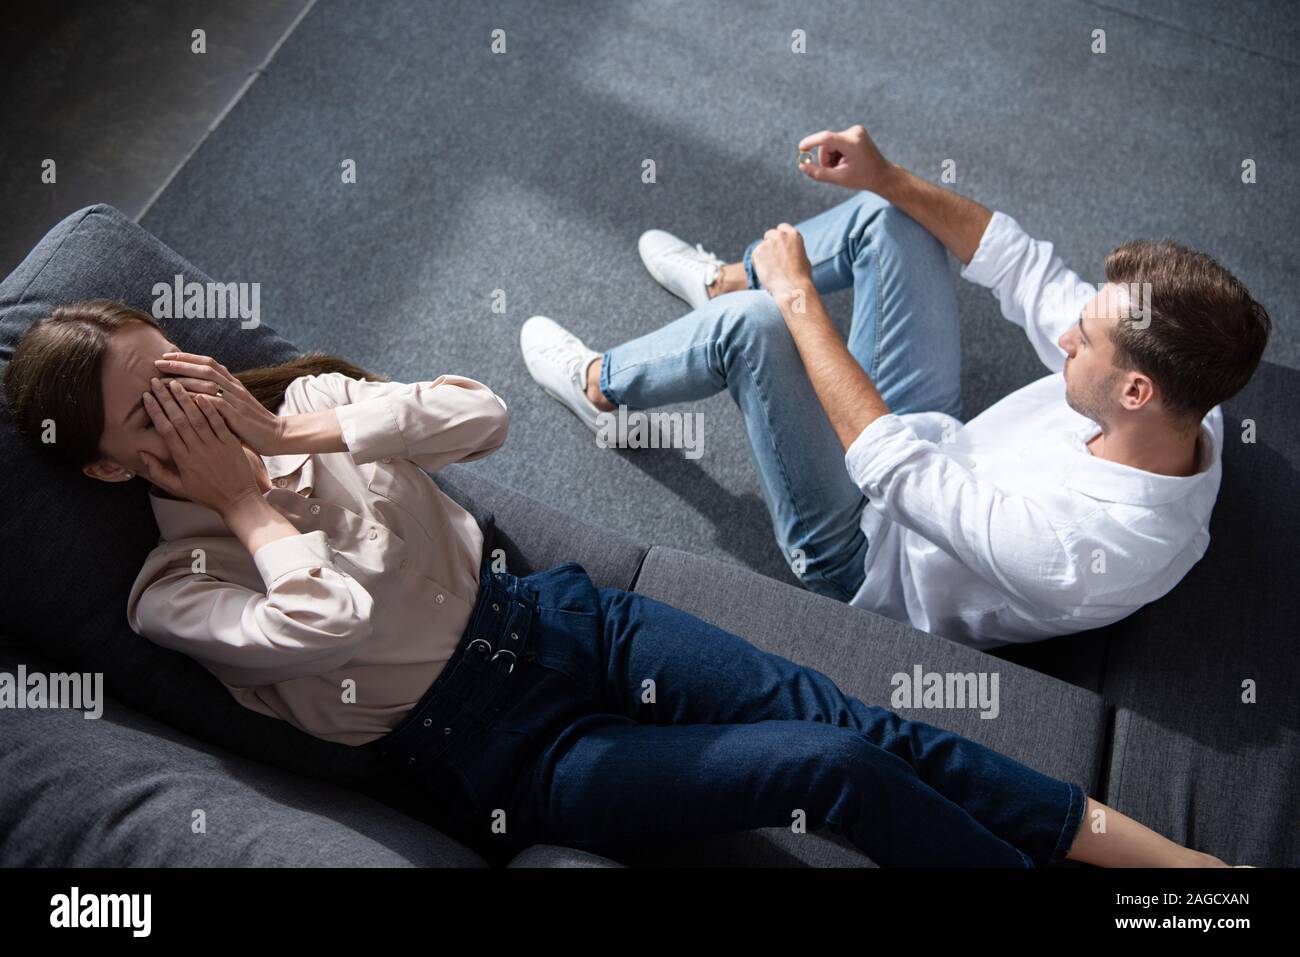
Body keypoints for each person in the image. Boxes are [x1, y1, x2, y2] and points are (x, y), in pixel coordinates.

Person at [3, 300, 1244, 867]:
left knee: (858, 722)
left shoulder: (317, 411)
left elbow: (476, 416)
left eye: (173, 357)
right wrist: (237, 496)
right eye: (148, 403)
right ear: (111, 464)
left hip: (566, 623)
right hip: (513, 759)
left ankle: (1181, 885)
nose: (188, 387)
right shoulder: (179, 583)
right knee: (828, 771)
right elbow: (339, 616)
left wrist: (290, 442)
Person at [520, 124, 1272, 651]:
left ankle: (600, 389)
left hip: (867, 548)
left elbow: (892, 468)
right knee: (895, 218)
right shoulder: (1178, 390)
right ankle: (723, 281)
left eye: (1085, 339)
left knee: (758, 327)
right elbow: (1021, 266)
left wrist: (796, 295)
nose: (1066, 335)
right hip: (934, 443)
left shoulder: (1082, 553)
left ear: (1136, 391)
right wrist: (887, 177)